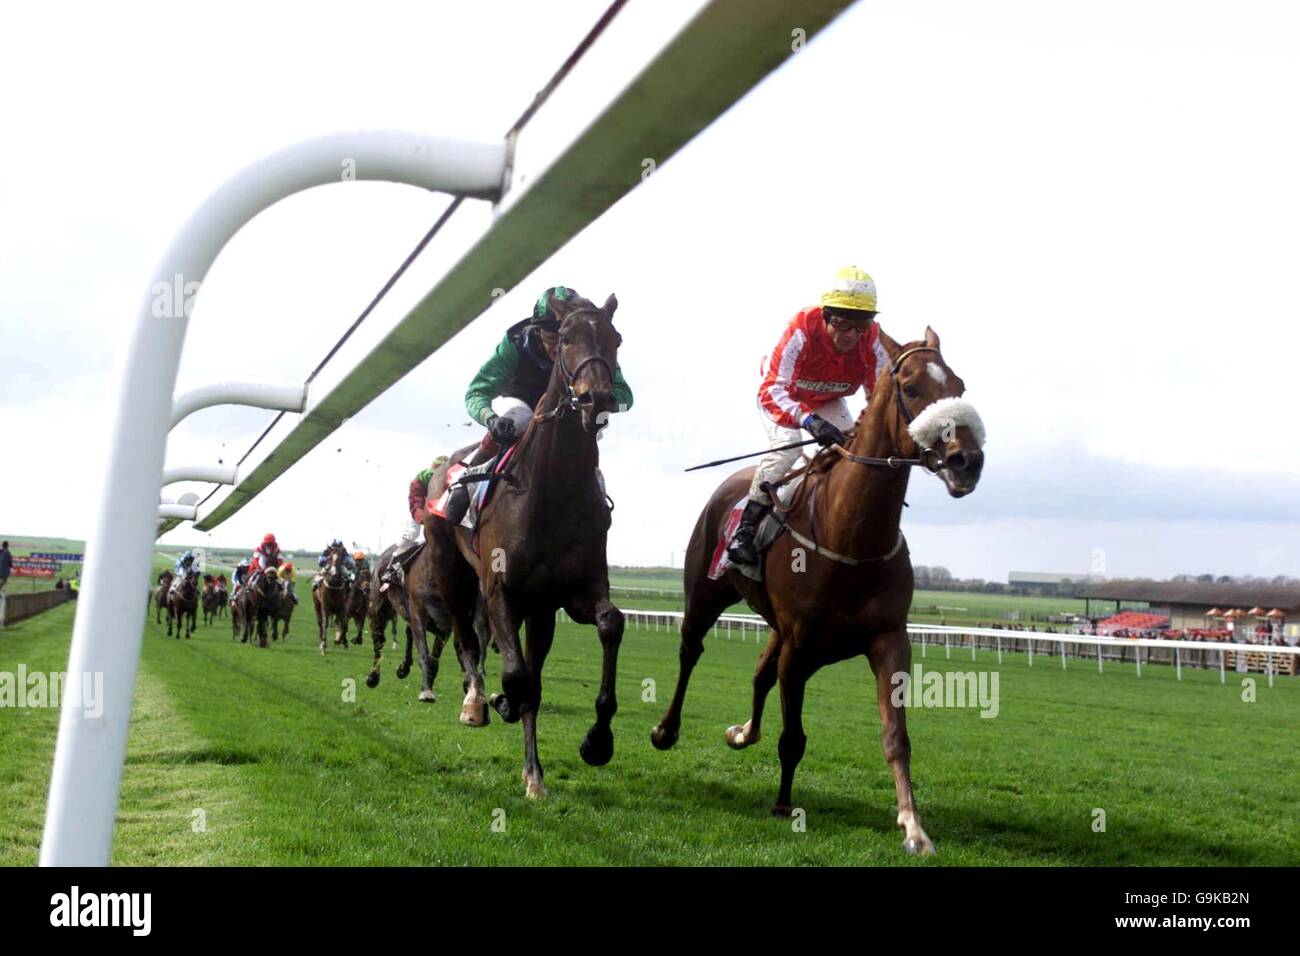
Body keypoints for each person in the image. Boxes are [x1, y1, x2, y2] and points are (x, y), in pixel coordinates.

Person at [727, 266, 892, 566]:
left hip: (827, 399)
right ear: (827, 315)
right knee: (788, 451)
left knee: (852, 451)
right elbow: (772, 389)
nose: (850, 335)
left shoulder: (872, 341)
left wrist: (861, 430)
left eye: (860, 325)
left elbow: (878, 400)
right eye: (842, 324)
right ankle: (744, 531)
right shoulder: (802, 328)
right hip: (782, 395)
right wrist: (810, 421)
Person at [444, 285, 634, 524]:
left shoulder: (590, 342)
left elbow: (626, 398)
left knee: (593, 427)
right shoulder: (515, 343)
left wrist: (603, 400)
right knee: (518, 418)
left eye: (565, 339)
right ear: (537, 330)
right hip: (522, 402)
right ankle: (466, 478)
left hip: (567, 410)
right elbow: (476, 392)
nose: (557, 348)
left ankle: (597, 491)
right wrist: (490, 419)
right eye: (551, 337)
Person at [379, 460, 445, 592]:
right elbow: (415, 500)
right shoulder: (424, 477)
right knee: (411, 533)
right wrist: (422, 515)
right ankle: (391, 570)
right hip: (422, 510)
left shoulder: (453, 475)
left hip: (443, 510)